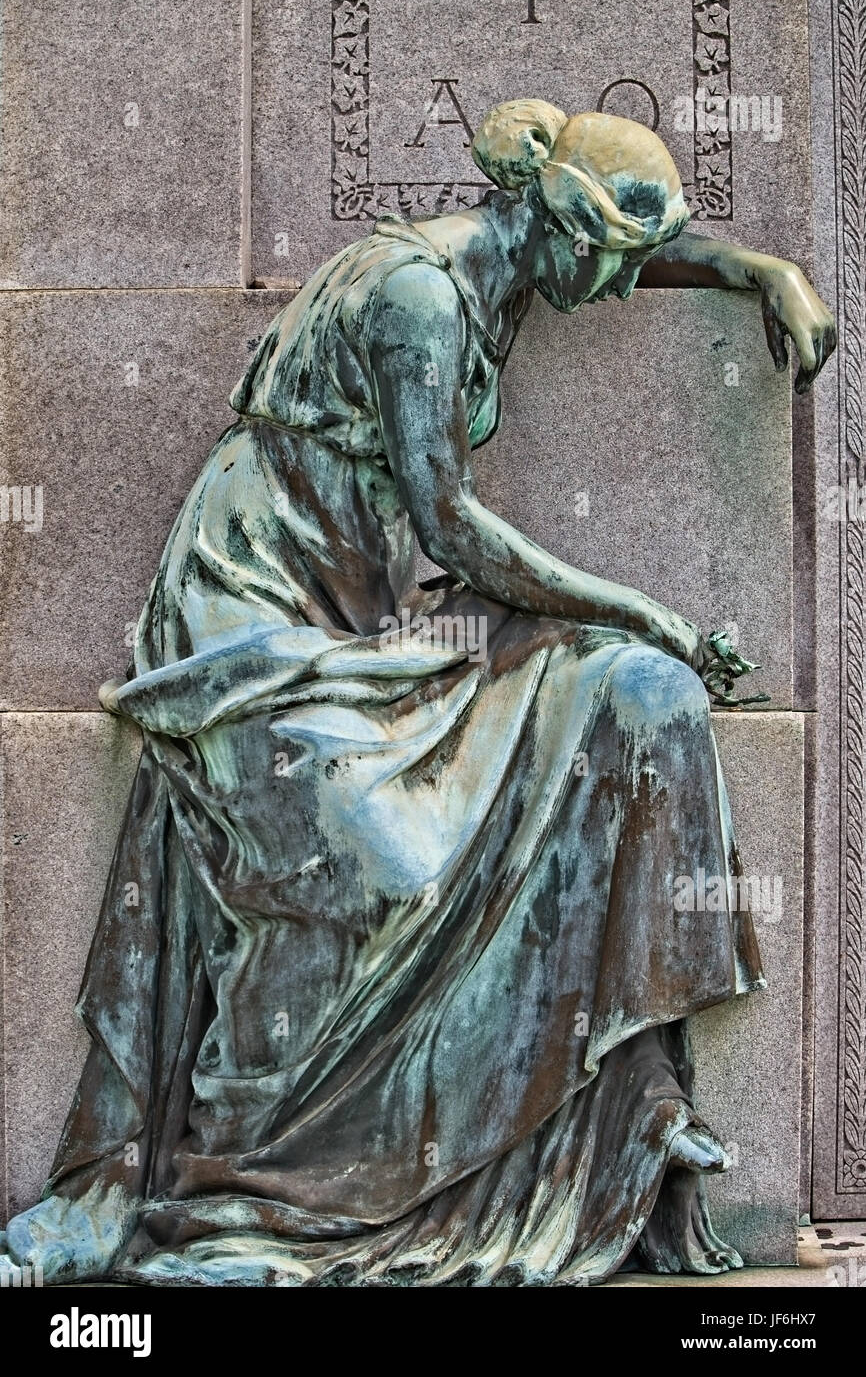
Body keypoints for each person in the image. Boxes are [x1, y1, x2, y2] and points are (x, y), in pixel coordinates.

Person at [0, 100, 836, 1286]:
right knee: (377, 860)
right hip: (261, 610)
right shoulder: (419, 297)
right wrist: (633, 602)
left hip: (385, 613)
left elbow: (636, 255)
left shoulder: (514, 262)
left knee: (644, 696)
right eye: (612, 258)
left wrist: (757, 269)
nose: (618, 286)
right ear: (556, 227)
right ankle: (261, 1191)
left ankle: (631, 1112)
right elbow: (448, 518)